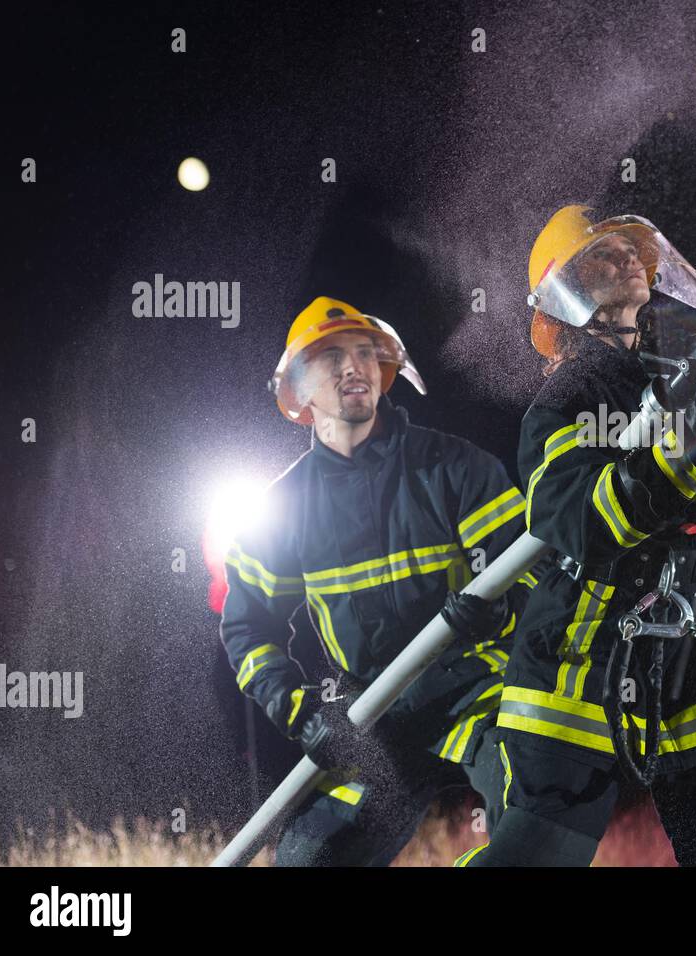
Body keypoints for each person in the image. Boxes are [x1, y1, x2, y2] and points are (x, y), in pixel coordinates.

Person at [458, 205, 696, 866]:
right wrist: (671, 461)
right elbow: (578, 520)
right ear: (569, 293)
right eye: (605, 256)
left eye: (633, 253)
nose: (627, 263)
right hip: (579, 646)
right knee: (538, 853)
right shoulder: (566, 401)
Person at [220, 295, 535, 866]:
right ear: (299, 391)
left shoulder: (456, 467)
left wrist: (503, 611)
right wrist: (304, 712)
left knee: (529, 820)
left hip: (483, 692)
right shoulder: (284, 509)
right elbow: (248, 628)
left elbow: (535, 575)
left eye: (365, 353)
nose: (354, 366)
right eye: (332, 357)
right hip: (378, 713)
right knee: (308, 859)